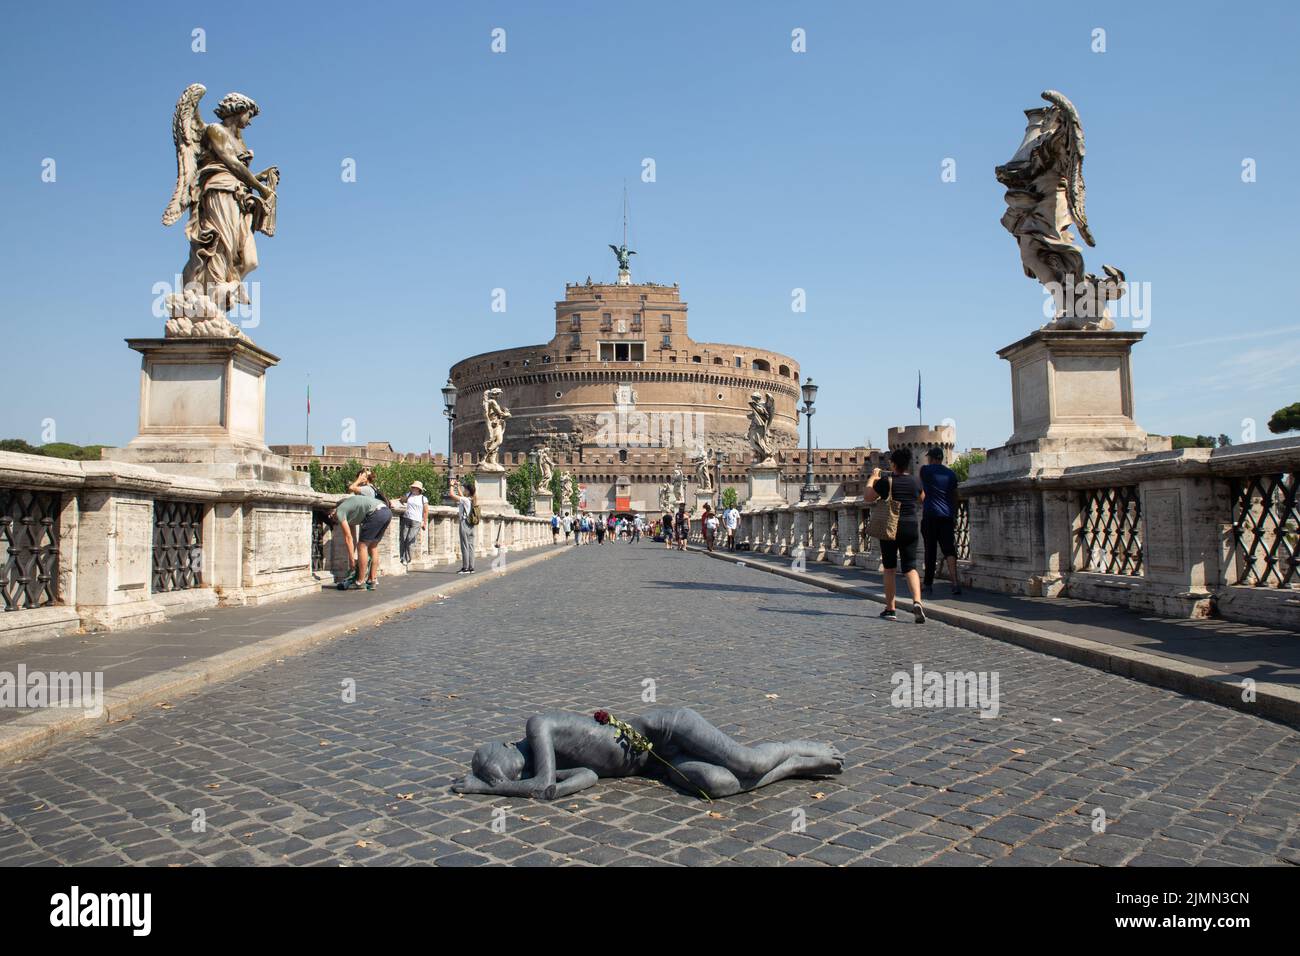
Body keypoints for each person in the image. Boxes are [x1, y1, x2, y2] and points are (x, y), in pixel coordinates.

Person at [453, 706, 844, 800]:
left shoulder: (537, 726)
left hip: (666, 728)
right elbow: (584, 779)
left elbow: (539, 787)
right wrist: (504, 785)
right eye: (500, 776)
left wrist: (485, 789)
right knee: (719, 786)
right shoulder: (546, 768)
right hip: (654, 765)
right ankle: (792, 767)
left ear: (506, 746)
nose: (504, 774)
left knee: (746, 762)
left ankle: (793, 747)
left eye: (499, 767)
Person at [863, 448, 926, 623]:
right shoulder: (915, 481)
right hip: (911, 526)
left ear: (893, 464)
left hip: (890, 527)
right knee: (910, 566)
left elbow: (868, 497)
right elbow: (922, 498)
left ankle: (890, 609)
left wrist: (873, 477)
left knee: (889, 568)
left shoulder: (886, 481)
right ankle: (917, 602)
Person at [326, 491, 392, 591]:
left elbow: (348, 538)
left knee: (362, 546)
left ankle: (360, 582)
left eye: (332, 518)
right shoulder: (351, 511)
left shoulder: (340, 511)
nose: (335, 520)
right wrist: (353, 558)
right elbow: (352, 538)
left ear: (332, 512)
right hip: (387, 512)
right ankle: (372, 580)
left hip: (376, 513)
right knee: (373, 546)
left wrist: (352, 562)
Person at [919, 447, 962, 596]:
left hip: (930, 514)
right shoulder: (951, 474)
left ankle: (928, 584)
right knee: (949, 550)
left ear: (931, 458)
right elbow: (955, 495)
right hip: (947, 516)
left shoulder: (925, 470)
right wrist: (954, 514)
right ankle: (955, 583)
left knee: (930, 550)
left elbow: (922, 489)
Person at [450, 477, 478, 573]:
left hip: (465, 523)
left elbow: (452, 495)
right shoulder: (471, 499)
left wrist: (451, 486)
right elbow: (461, 496)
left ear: (468, 491)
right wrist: (457, 487)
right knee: (470, 546)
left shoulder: (466, 500)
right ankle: (471, 567)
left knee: (464, 546)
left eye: (465, 489)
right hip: (471, 525)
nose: (463, 490)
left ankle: (465, 568)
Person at [398, 480, 428, 566]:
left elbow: (426, 511)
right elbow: (401, 500)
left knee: (409, 538)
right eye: (413, 487)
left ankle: (408, 558)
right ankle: (402, 557)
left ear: (419, 489)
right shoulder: (409, 495)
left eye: (415, 488)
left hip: (417, 521)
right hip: (406, 518)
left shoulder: (423, 498)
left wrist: (424, 522)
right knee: (403, 538)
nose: (414, 488)